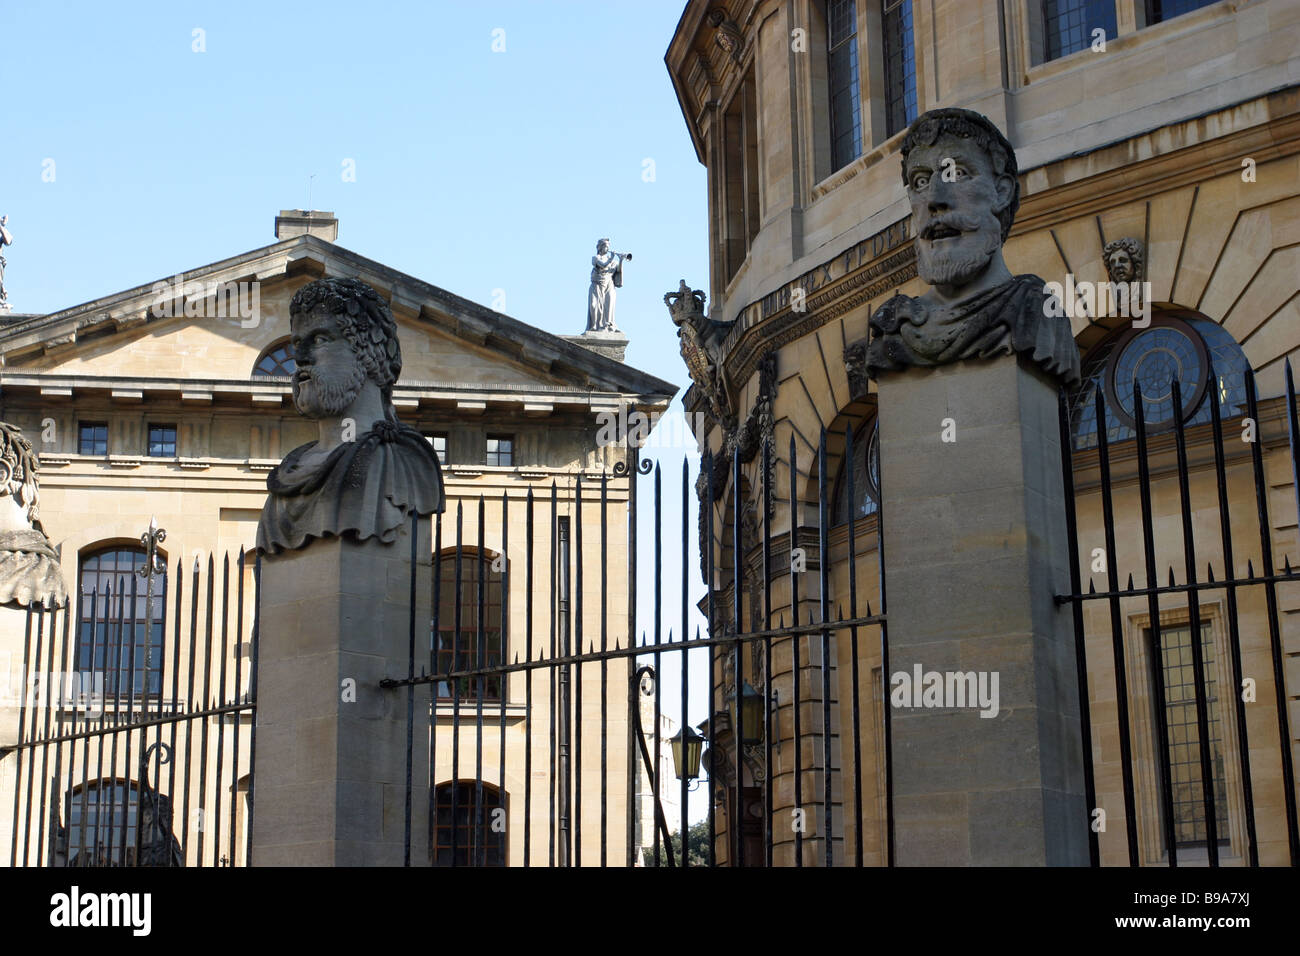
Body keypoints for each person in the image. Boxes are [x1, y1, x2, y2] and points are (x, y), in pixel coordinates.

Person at [865, 108, 1080, 386]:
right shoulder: (891, 327)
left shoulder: (1035, 313)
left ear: (1002, 192)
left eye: (956, 174)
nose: (934, 198)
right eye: (920, 181)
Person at [256, 277, 444, 554]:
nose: (300, 357)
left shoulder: (403, 461)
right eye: (297, 342)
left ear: (368, 350)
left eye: (320, 339)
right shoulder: (291, 469)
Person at [586, 238, 631, 332]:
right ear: (600, 247)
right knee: (594, 306)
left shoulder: (612, 261)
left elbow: (618, 271)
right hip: (597, 285)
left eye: (608, 246)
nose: (607, 248)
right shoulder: (595, 258)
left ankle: (608, 325)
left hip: (609, 285)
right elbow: (602, 265)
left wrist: (621, 260)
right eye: (605, 246)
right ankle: (595, 325)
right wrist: (611, 258)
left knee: (608, 306)